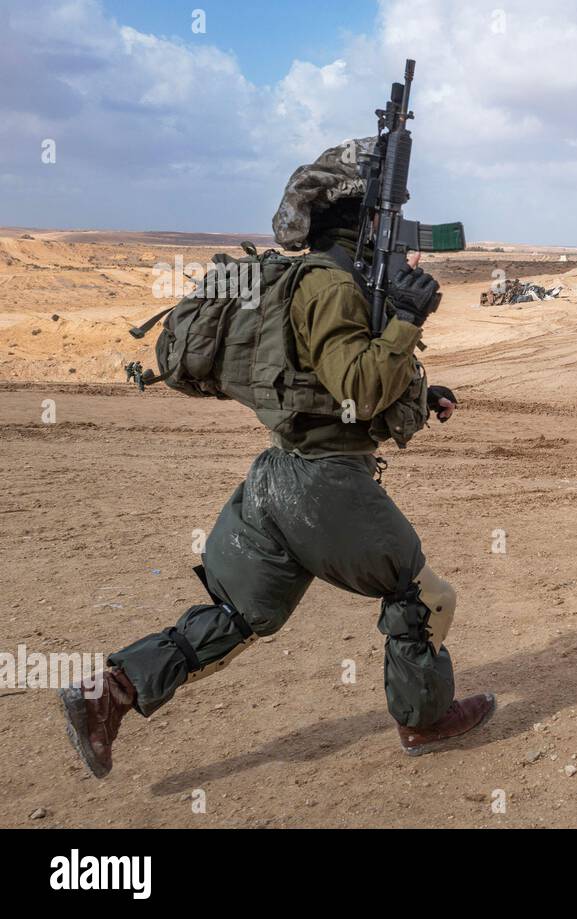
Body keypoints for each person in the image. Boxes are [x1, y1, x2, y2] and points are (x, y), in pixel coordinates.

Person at [59, 140, 496, 778]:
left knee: (237, 615)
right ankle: (425, 719)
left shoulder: (306, 279)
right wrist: (404, 318)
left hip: (277, 480)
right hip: (324, 485)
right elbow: (355, 385)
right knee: (421, 597)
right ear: (361, 219)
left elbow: (320, 379)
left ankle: (110, 692)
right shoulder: (331, 286)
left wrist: (418, 392)